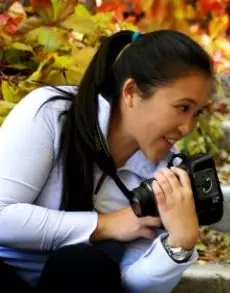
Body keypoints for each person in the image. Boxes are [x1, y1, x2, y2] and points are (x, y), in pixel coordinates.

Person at [0, 29, 214, 292]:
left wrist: (179, 244)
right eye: (182, 108)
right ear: (131, 92)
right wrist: (104, 225)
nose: (188, 127)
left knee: (86, 265)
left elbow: (129, 284)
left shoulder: (164, 176)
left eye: (197, 113)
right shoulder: (52, 113)